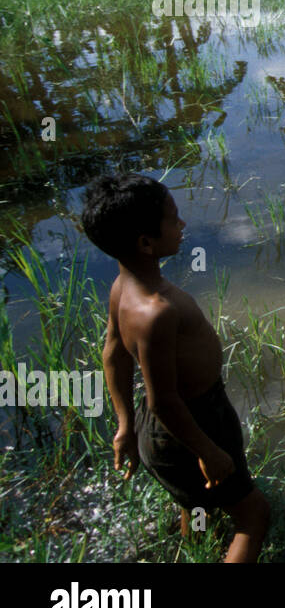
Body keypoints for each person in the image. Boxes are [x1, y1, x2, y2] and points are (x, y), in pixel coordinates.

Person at [83, 174, 271, 563]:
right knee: (254, 515)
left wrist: (124, 426)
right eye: (174, 219)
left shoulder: (123, 288)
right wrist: (208, 449)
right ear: (146, 242)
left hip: (159, 434)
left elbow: (114, 354)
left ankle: (195, 546)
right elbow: (164, 401)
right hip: (195, 422)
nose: (183, 225)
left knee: (195, 502)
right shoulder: (157, 311)